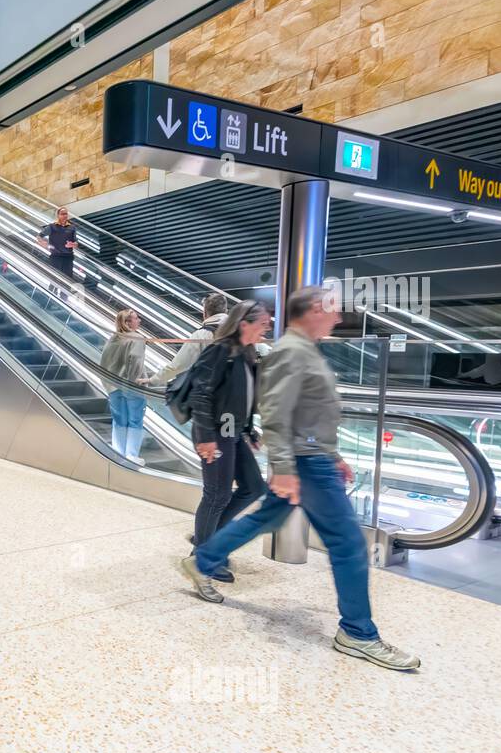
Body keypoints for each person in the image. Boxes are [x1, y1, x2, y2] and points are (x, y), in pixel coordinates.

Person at [179, 287, 420, 671]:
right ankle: (358, 633)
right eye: (331, 310)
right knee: (347, 545)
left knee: (264, 514)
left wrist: (330, 453)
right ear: (310, 311)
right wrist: (284, 466)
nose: (338, 318)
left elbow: (302, 412)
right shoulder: (283, 352)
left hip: (306, 455)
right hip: (300, 461)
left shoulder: (282, 351)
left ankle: (204, 559)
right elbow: (269, 411)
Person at [186, 300, 271, 580]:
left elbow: (241, 397)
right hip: (215, 432)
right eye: (262, 322)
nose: (267, 326)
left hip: (233, 432)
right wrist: (206, 437)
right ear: (244, 323)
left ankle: (210, 543)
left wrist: (248, 430)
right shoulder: (219, 350)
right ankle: (202, 557)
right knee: (217, 495)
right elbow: (200, 395)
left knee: (254, 487)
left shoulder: (246, 352)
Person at [99, 309, 149, 463]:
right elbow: (135, 362)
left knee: (119, 420)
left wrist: (108, 385)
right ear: (128, 322)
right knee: (135, 421)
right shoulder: (137, 338)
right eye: (136, 318)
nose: (139, 320)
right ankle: (132, 455)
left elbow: (103, 363)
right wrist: (135, 383)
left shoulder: (113, 339)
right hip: (132, 387)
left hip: (114, 386)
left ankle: (118, 453)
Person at [152, 293, 229, 386]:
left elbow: (178, 366)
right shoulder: (240, 331)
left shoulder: (201, 335)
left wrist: (153, 380)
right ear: (226, 311)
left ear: (204, 313)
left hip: (210, 391)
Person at [36, 207, 77, 283]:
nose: (65, 216)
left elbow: (76, 243)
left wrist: (73, 244)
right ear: (58, 215)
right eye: (62, 214)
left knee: (68, 280)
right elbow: (39, 236)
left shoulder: (72, 227)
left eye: (66, 214)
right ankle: (52, 293)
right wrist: (42, 242)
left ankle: (65, 294)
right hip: (55, 257)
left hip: (68, 257)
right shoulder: (52, 227)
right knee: (54, 279)